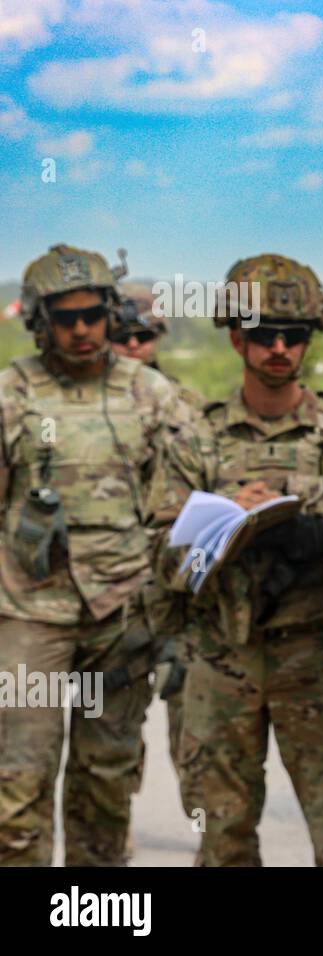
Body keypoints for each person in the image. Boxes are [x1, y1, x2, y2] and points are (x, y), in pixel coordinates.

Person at [148, 253, 323, 866]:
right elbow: (167, 568)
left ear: (308, 341)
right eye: (263, 335)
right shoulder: (195, 438)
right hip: (221, 662)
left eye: (293, 336)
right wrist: (221, 521)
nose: (279, 348)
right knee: (224, 841)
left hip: (317, 661)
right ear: (235, 338)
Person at [0, 244, 184, 865]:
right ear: (40, 321)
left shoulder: (152, 395)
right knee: (18, 786)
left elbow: (180, 511)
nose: (81, 330)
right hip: (28, 615)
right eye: (65, 317)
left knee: (106, 783)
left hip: (123, 618)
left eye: (91, 315)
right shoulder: (11, 395)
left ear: (110, 312)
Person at [112, 282, 203, 778]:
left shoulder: (188, 406)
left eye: (143, 335)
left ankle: (206, 842)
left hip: (177, 594)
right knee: (111, 736)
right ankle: (114, 837)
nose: (132, 346)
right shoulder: (84, 410)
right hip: (112, 596)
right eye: (121, 334)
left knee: (193, 734)